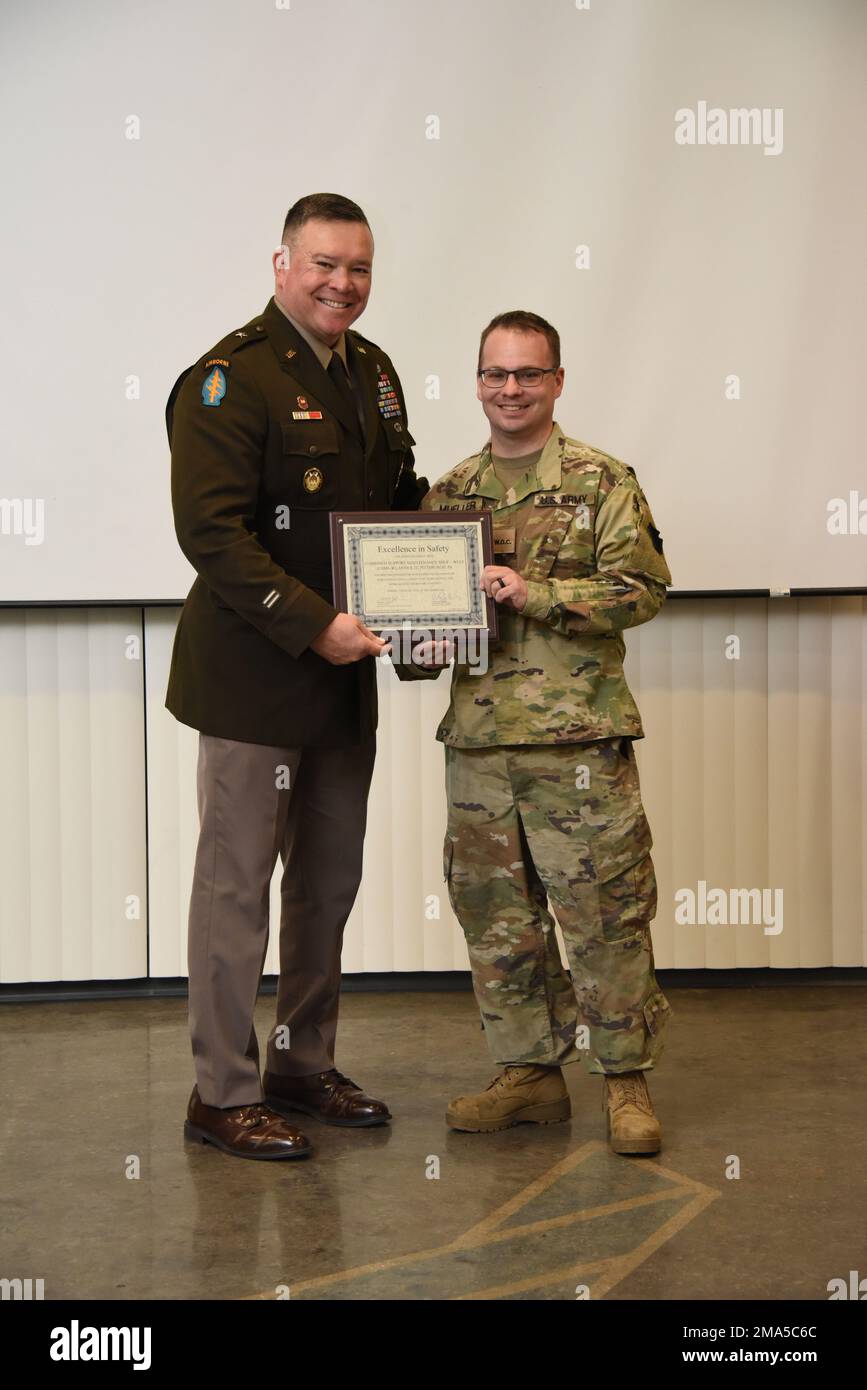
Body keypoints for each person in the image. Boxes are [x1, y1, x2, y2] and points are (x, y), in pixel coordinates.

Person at [165, 193, 428, 1161]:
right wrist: (315, 626)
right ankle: (220, 1091)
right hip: (253, 676)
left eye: (358, 268)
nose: (342, 284)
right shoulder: (229, 381)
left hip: (340, 680)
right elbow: (211, 534)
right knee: (236, 888)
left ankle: (298, 1064)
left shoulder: (375, 373)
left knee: (327, 883)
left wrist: (439, 593)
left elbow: (397, 507)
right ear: (282, 264)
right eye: (324, 264)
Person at [396, 310, 672, 1155]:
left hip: (575, 743)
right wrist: (412, 640)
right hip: (479, 745)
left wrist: (536, 593)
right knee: (496, 916)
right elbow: (416, 627)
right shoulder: (448, 494)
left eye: (526, 374)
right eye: (494, 374)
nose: (508, 390)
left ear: (556, 380)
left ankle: (625, 1082)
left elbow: (642, 588)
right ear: (477, 381)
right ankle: (529, 1075)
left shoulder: (600, 480)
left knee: (601, 912)